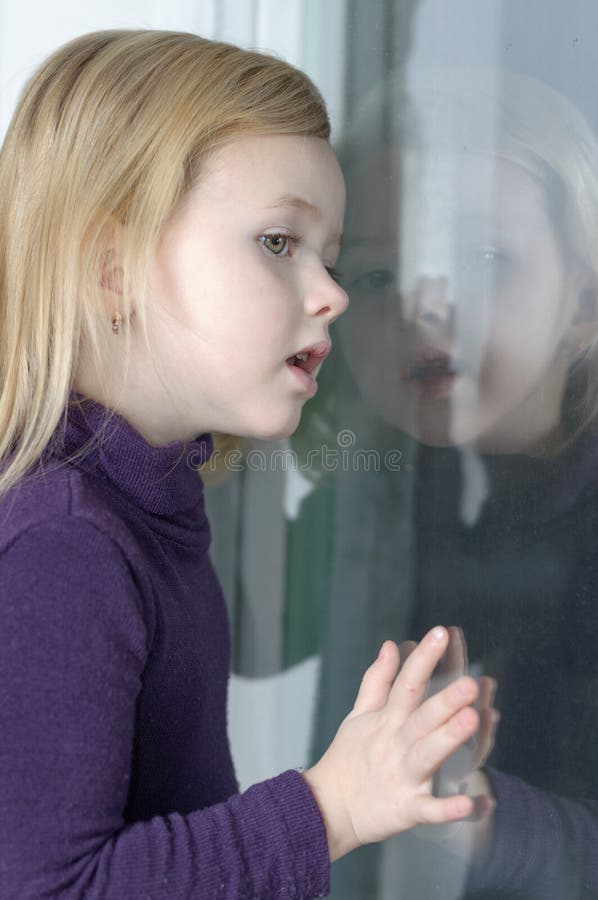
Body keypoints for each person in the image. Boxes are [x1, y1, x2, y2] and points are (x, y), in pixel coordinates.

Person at [0, 30, 487, 899]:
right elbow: (49, 887)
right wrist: (334, 807)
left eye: (328, 254)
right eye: (277, 243)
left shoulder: (150, 509)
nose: (331, 291)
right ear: (112, 270)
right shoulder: (65, 546)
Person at [290, 66, 598, 898]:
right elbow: (261, 627)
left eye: (486, 257)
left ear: (585, 293)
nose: (424, 309)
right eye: (379, 277)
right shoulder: (413, 480)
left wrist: (472, 807)